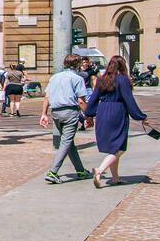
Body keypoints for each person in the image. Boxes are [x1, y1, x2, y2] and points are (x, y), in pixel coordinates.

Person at [85, 55, 149, 187]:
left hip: (102, 112)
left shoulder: (101, 79)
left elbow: (93, 98)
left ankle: (115, 178)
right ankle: (100, 170)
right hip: (117, 112)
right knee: (119, 147)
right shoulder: (122, 80)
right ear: (122, 66)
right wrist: (140, 116)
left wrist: (89, 115)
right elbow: (129, 100)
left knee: (113, 147)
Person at [40, 54, 93, 185]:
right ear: (77, 65)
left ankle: (80, 171)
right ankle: (53, 172)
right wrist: (89, 116)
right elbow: (81, 101)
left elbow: (46, 97)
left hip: (56, 112)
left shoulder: (54, 77)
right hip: (70, 112)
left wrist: (44, 114)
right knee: (65, 142)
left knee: (68, 142)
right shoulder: (77, 78)